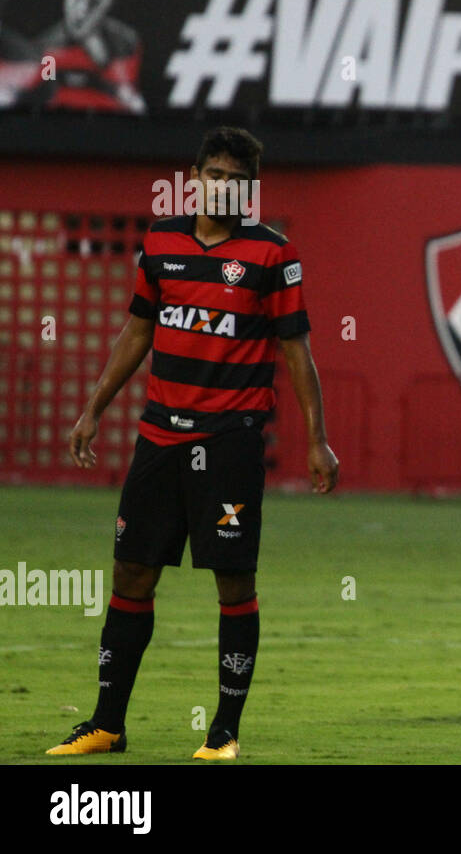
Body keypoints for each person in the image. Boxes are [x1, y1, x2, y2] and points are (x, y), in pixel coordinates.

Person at [48, 126, 339, 760]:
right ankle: (106, 725)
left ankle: (224, 733)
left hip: (230, 443)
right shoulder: (161, 242)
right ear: (195, 177)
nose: (223, 187)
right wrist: (94, 409)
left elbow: (297, 352)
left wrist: (317, 440)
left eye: (237, 180)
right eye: (214, 174)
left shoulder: (272, 256)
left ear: (251, 191)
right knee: (130, 570)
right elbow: (136, 333)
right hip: (158, 438)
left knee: (232, 581)